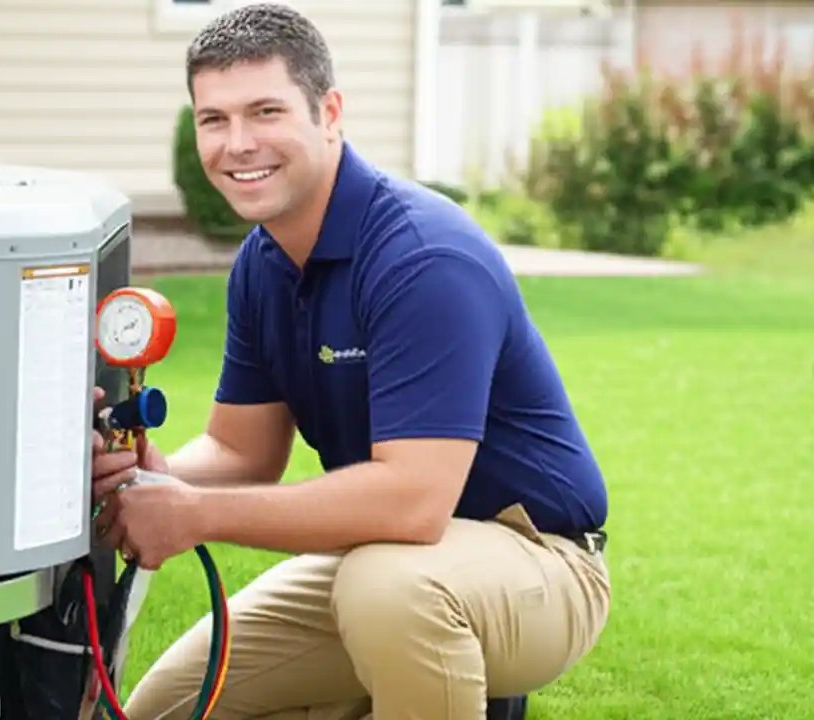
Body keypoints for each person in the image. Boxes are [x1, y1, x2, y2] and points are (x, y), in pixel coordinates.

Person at [90, 4, 611, 718]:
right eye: (214, 119)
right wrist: (158, 477)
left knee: (390, 593)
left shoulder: (422, 258)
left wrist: (197, 515)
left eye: (265, 112)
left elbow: (414, 500)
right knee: (171, 708)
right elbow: (242, 452)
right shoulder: (263, 263)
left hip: (537, 559)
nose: (238, 143)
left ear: (329, 113)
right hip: (383, 556)